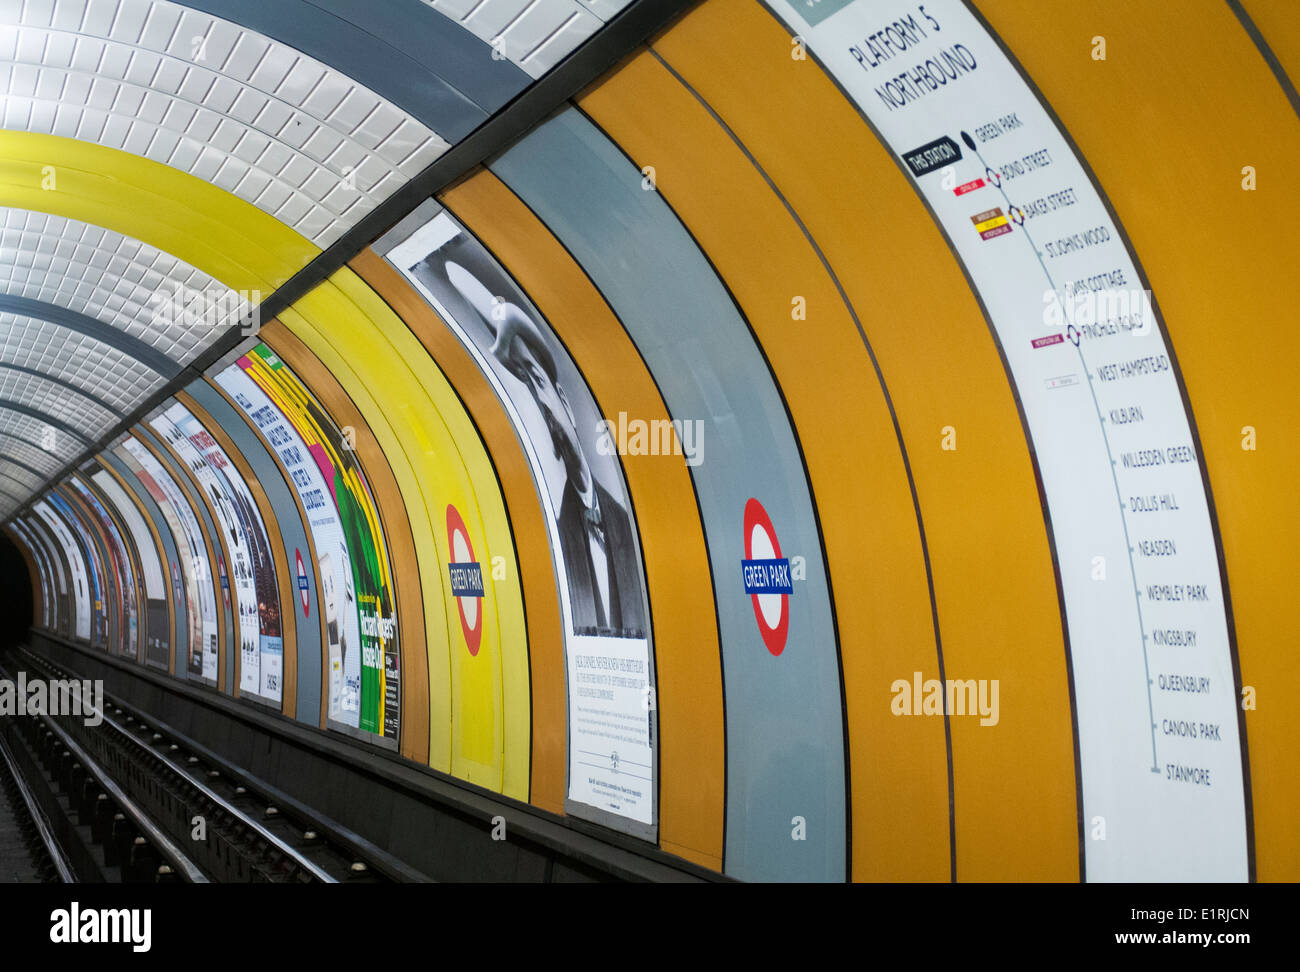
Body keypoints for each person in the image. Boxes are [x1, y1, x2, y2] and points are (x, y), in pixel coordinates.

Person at [444, 260, 645, 638]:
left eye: (539, 381)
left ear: (565, 401)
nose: (541, 405)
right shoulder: (558, 526)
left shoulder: (624, 520)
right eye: (529, 389)